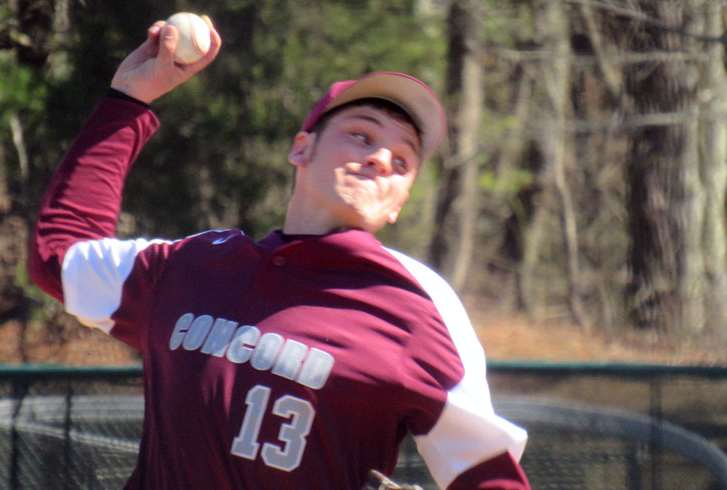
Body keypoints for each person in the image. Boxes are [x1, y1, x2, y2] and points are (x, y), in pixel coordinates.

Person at [28, 15, 530, 490]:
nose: (380, 158)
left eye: (402, 161)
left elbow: (487, 474)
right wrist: (129, 99)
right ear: (301, 149)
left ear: (399, 203)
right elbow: (61, 254)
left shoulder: (416, 307)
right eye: (361, 134)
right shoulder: (193, 266)